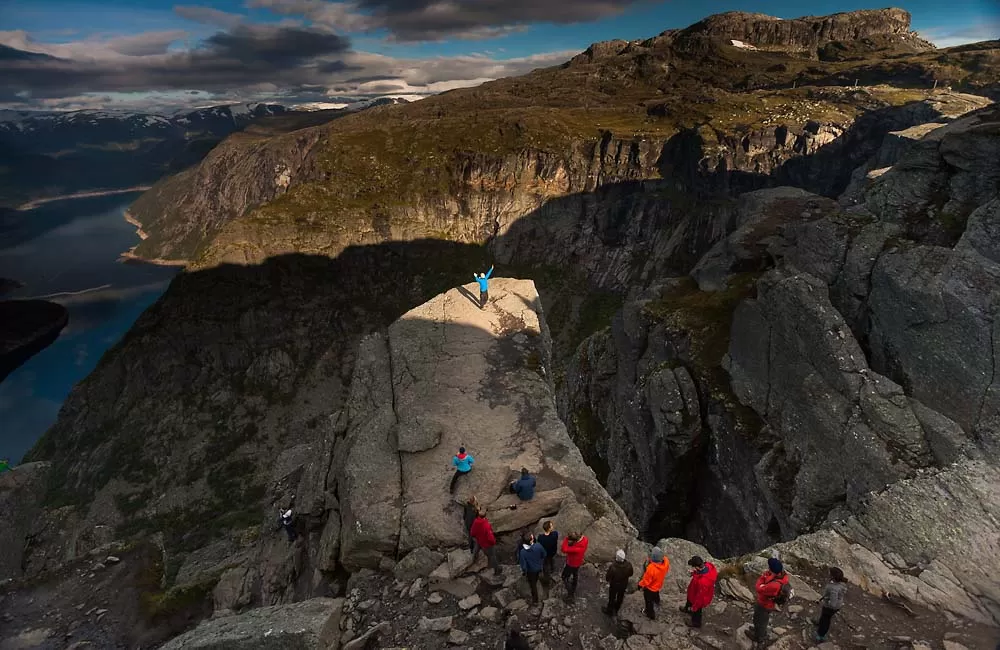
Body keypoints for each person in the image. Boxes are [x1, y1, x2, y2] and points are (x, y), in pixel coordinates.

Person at [747, 557, 789, 645]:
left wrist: (763, 577)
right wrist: (768, 575)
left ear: (773, 570)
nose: (768, 569)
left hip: (764, 605)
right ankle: (757, 630)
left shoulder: (774, 585)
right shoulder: (782, 576)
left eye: (769, 568)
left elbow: (759, 588)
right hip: (768, 604)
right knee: (758, 619)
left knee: (760, 620)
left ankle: (759, 638)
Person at [681, 555, 718, 628]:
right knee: (689, 599)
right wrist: (694, 573)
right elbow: (701, 573)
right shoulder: (707, 566)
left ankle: (696, 623)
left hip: (699, 597)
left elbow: (700, 598)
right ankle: (687, 609)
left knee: (697, 610)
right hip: (694, 591)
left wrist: (695, 607)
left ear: (697, 567)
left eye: (693, 567)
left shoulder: (703, 582)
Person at [815, 567, 848, 641]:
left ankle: (821, 635)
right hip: (837, 605)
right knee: (824, 617)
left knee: (825, 620)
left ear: (832, 576)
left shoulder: (834, 589)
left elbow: (833, 603)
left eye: (829, 573)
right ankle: (820, 624)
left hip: (830, 608)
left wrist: (826, 601)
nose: (828, 574)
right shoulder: (841, 584)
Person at [638, 546, 670, 620]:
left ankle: (650, 614)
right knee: (656, 594)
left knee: (648, 601)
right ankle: (657, 602)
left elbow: (646, 581)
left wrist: (640, 585)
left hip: (650, 588)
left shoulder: (651, 568)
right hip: (658, 584)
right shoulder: (666, 562)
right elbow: (664, 558)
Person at [470, 508, 502, 575]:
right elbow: (490, 537)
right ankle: (497, 569)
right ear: (485, 516)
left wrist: (475, 536)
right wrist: (493, 542)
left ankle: (473, 558)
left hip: (479, 540)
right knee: (492, 556)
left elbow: (472, 532)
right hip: (487, 544)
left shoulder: (476, 521)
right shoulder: (486, 525)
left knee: (477, 547)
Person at [517, 533, 547, 603]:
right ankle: (543, 582)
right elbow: (544, 554)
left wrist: (524, 572)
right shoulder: (538, 546)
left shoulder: (523, 552)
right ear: (531, 541)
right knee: (536, 577)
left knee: (533, 584)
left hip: (531, 570)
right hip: (539, 567)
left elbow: (523, 565)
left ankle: (535, 600)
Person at [603, 548, 634, 616]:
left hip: (614, 585)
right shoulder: (628, 565)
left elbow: (608, 577)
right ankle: (617, 608)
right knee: (620, 596)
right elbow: (631, 573)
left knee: (612, 597)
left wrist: (608, 580)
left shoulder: (613, 567)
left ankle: (609, 610)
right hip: (623, 584)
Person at [560, 531, 589, 601]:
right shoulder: (585, 539)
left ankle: (570, 594)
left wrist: (566, 539)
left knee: (564, 577)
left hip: (571, 563)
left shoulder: (576, 548)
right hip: (578, 561)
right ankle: (574, 586)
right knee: (575, 574)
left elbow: (563, 549)